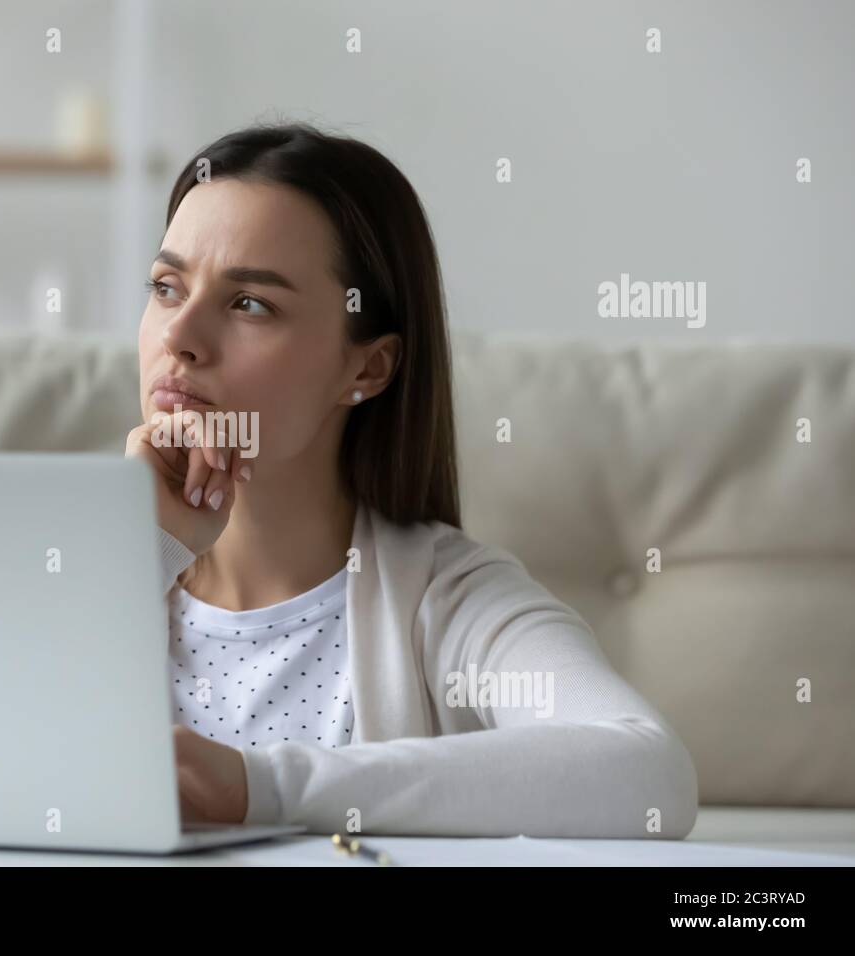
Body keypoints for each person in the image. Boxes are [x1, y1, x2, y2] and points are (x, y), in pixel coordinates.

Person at [125, 122, 698, 838]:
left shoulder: (443, 596)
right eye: (167, 287)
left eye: (251, 304)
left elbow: (648, 773)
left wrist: (261, 786)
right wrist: (137, 547)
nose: (179, 336)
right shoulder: (96, 570)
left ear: (367, 368)